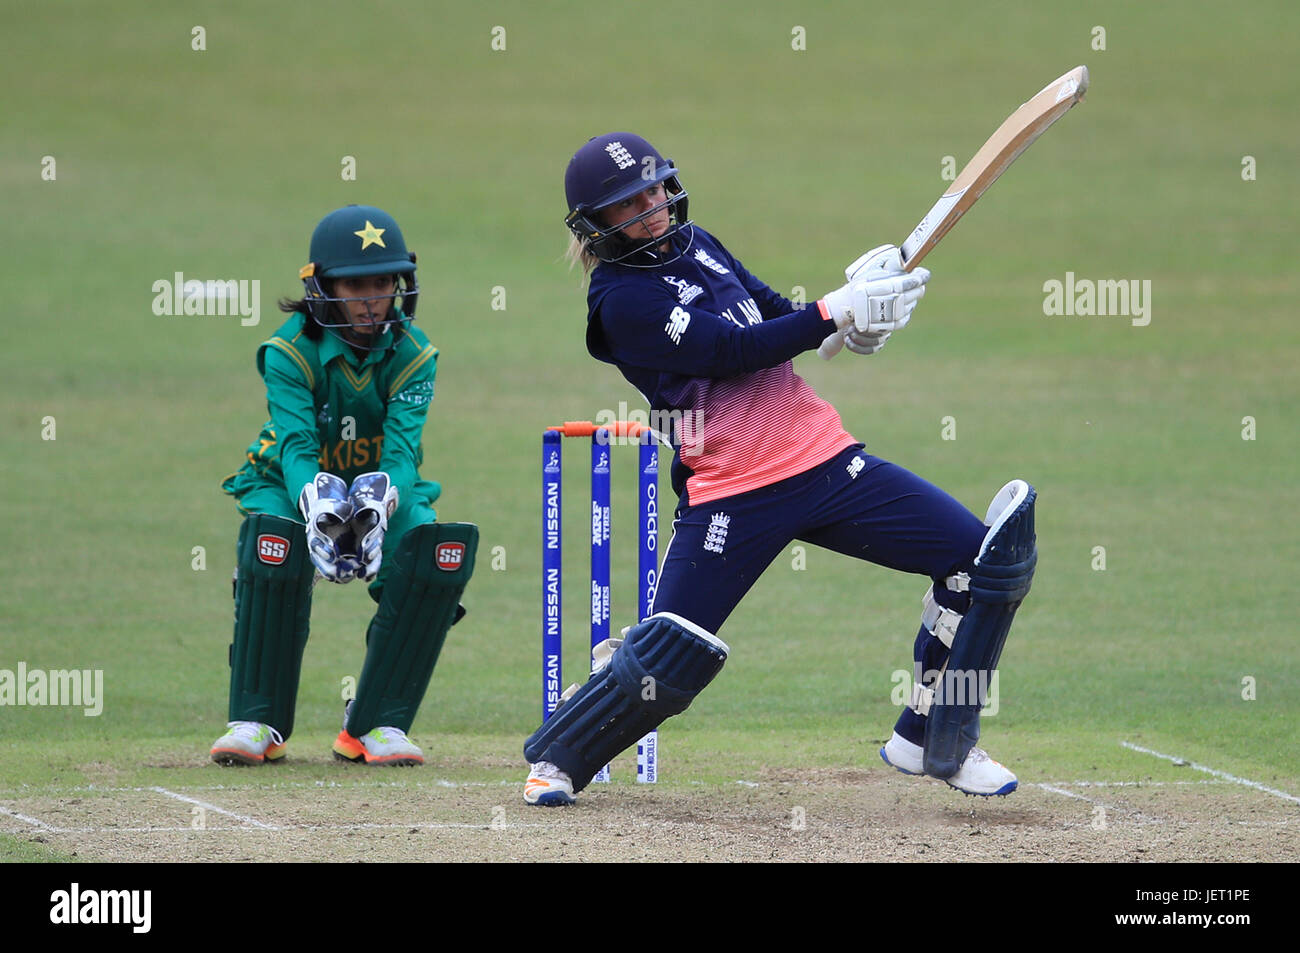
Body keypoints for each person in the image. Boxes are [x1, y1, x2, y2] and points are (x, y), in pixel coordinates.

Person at [522, 134, 1036, 806]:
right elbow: (733, 349)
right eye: (629, 203)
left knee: (978, 563)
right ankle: (559, 758)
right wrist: (835, 308)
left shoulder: (698, 241)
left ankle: (934, 735)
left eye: (655, 189)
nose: (652, 207)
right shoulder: (619, 302)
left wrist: (848, 324)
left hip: (825, 460)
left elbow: (770, 313)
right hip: (733, 493)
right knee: (668, 658)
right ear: (597, 225)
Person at [211, 205, 478, 767]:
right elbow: (295, 448)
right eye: (354, 285)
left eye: (382, 283)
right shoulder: (289, 352)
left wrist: (378, 505)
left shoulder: (413, 354)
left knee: (431, 557)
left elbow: (402, 454)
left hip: (381, 482)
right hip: (288, 480)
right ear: (322, 287)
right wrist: (318, 505)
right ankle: (258, 720)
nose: (370, 299)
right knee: (275, 545)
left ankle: (375, 724)